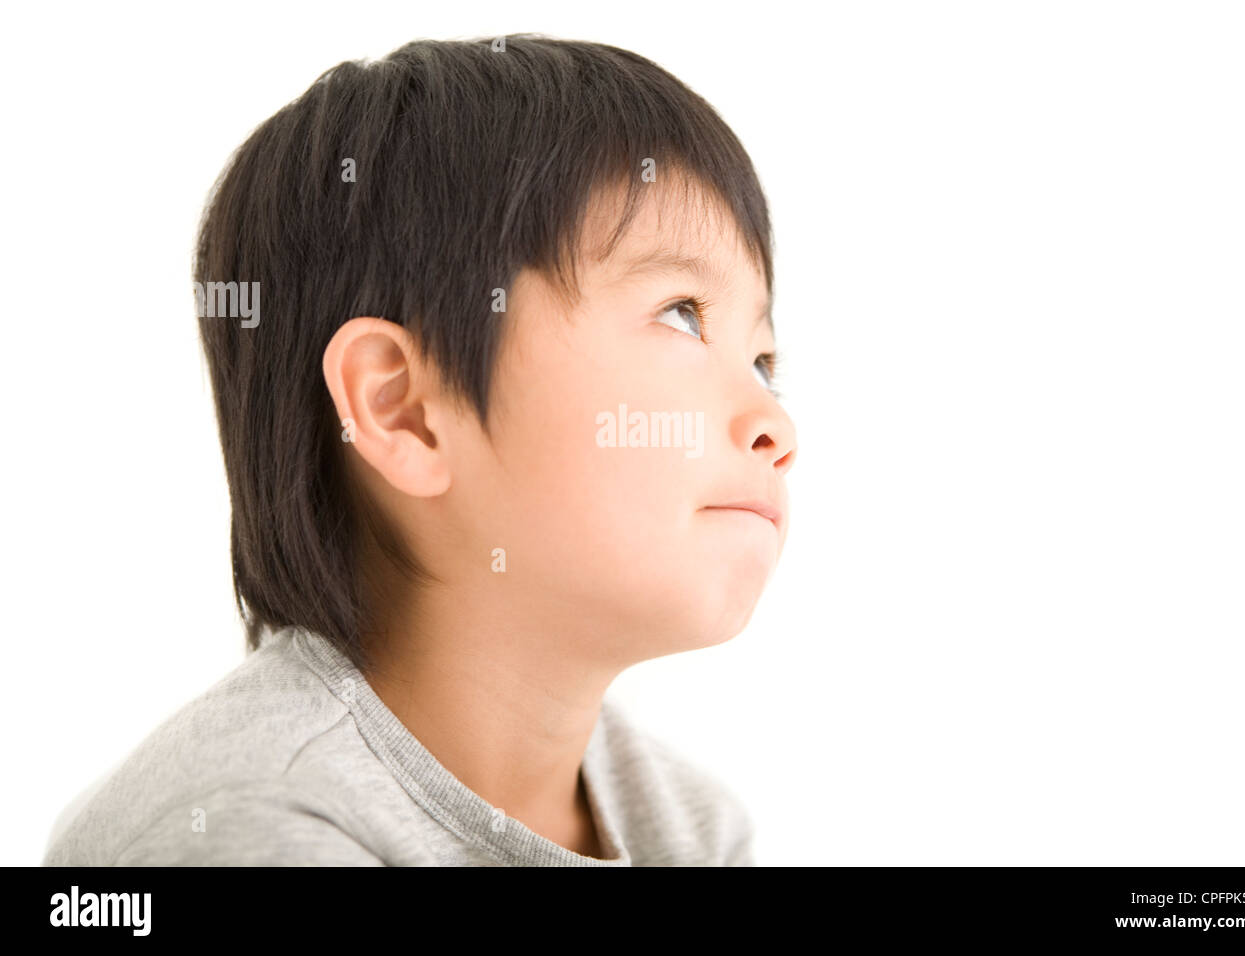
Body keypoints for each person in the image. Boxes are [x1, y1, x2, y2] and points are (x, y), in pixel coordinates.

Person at [43, 33, 795, 867]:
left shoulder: (691, 830)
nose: (776, 425)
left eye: (765, 361)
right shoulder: (254, 825)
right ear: (403, 411)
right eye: (683, 313)